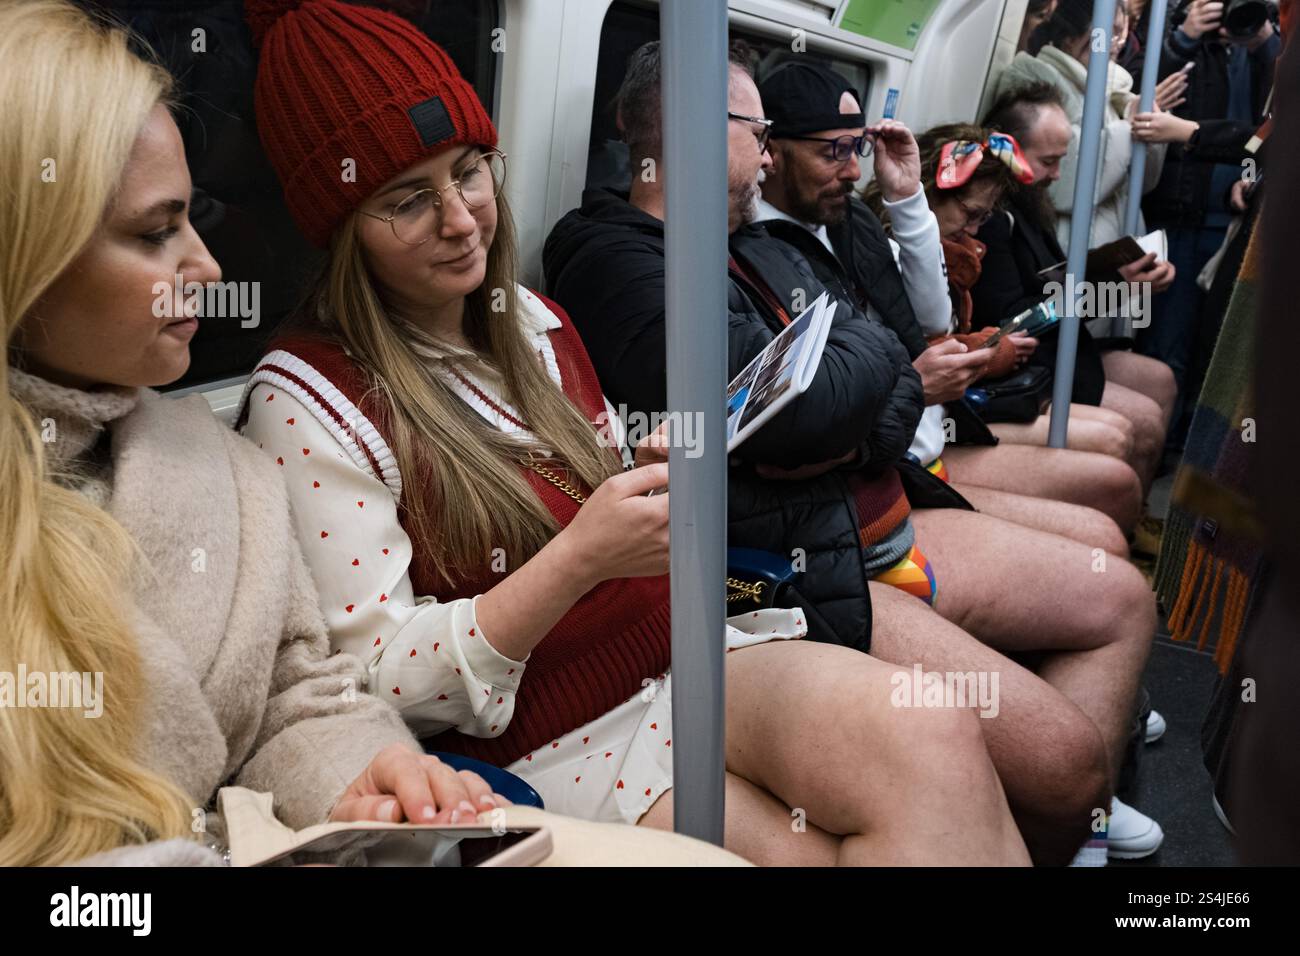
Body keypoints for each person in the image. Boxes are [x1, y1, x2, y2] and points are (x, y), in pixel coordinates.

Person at [239, 0, 1028, 867]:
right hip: (553, 736)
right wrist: (583, 555)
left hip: (682, 649)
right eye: (406, 200)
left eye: (468, 172)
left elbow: (596, 491)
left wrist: (647, 474)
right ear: (342, 230)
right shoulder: (308, 397)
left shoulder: (533, 322)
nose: (462, 219)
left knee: (936, 732)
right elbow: (375, 678)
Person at [545, 39, 1162, 864]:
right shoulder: (615, 260)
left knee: (1119, 592)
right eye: (756, 136)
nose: (767, 161)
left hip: (866, 500)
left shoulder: (751, 243)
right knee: (1065, 765)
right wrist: (860, 387)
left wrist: (859, 389)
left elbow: (876, 357)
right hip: (796, 562)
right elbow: (813, 406)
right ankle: (1061, 820)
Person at [0, 0, 521, 868]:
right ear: (26, 257)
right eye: (156, 233)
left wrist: (368, 769)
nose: (206, 265)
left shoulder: (227, 473)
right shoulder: (304, 401)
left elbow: (296, 698)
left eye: (194, 215)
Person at [752, 61, 1134, 547]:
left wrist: (908, 195)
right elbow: (817, 408)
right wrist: (920, 381)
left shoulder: (851, 227)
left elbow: (930, 320)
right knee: (1103, 546)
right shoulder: (761, 248)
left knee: (1105, 508)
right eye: (835, 152)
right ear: (772, 152)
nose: (853, 170)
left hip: (921, 449)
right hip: (877, 477)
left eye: (857, 149)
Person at [977, 82, 1179, 497]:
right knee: (1140, 421)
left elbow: (1046, 283)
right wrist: (1115, 288)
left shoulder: (1028, 204)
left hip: (1062, 345)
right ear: (1007, 152)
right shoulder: (992, 219)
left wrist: (1114, 272)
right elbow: (1019, 319)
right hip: (1031, 361)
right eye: (1048, 162)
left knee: (1160, 380)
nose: (1055, 175)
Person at [1132, 0, 1280, 446]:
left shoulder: (1264, 51)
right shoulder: (1179, 37)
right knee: (1167, 342)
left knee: (1216, 348)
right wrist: (1184, 37)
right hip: (1183, 214)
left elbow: (1262, 138)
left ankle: (1191, 450)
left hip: (1236, 221)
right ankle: (1159, 450)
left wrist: (1263, 42)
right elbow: (1139, 97)